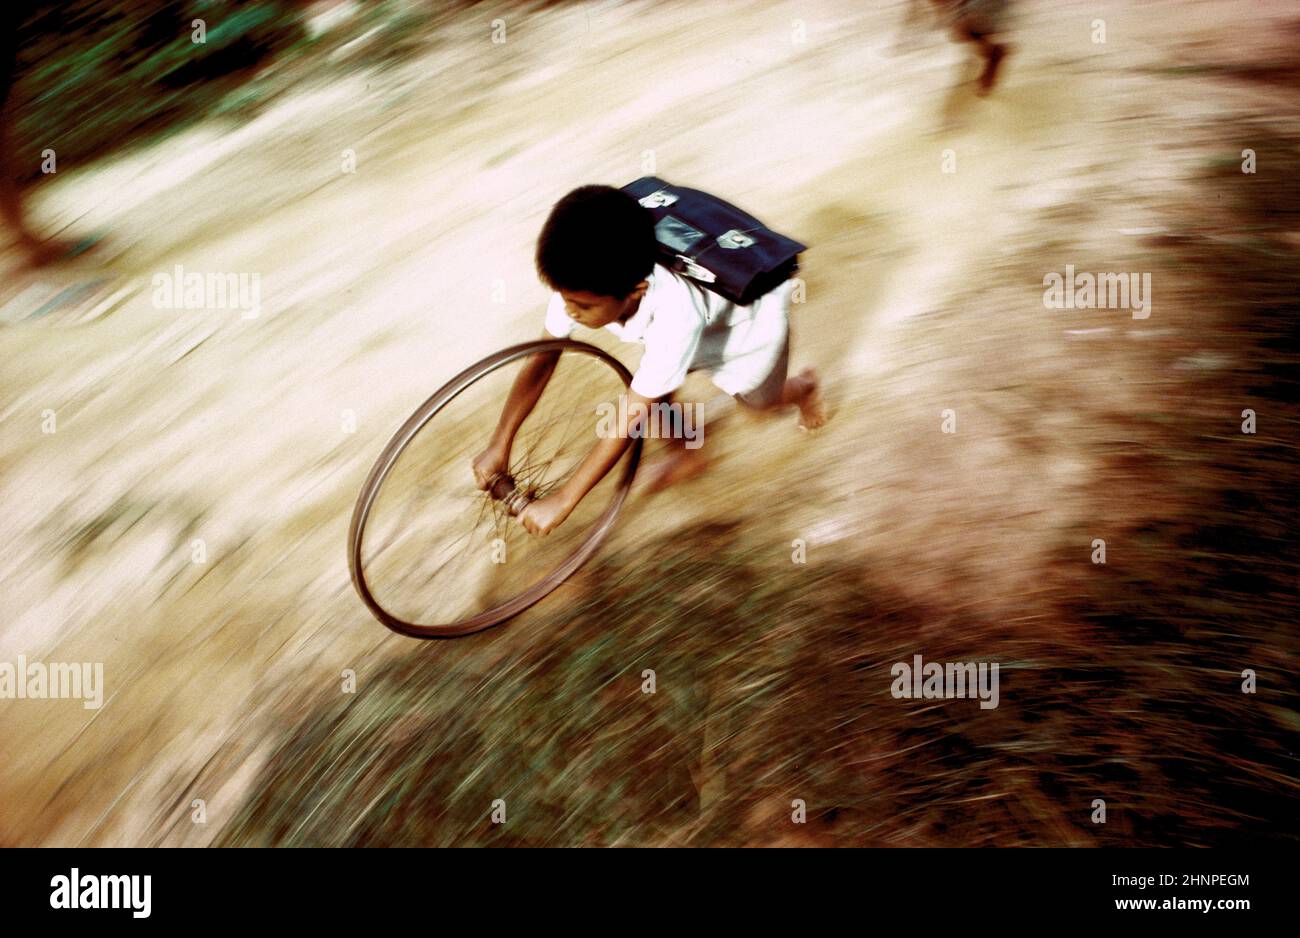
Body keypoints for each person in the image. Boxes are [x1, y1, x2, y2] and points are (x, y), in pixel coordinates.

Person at [472, 184, 825, 537]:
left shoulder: (674, 315)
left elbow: (632, 413)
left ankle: (804, 387)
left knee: (757, 407)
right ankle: (689, 454)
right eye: (565, 299)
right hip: (692, 324)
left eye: (583, 306)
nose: (569, 311)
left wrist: (564, 501)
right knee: (653, 389)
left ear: (636, 290)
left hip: (746, 327)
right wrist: (499, 443)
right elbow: (542, 359)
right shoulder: (580, 282)